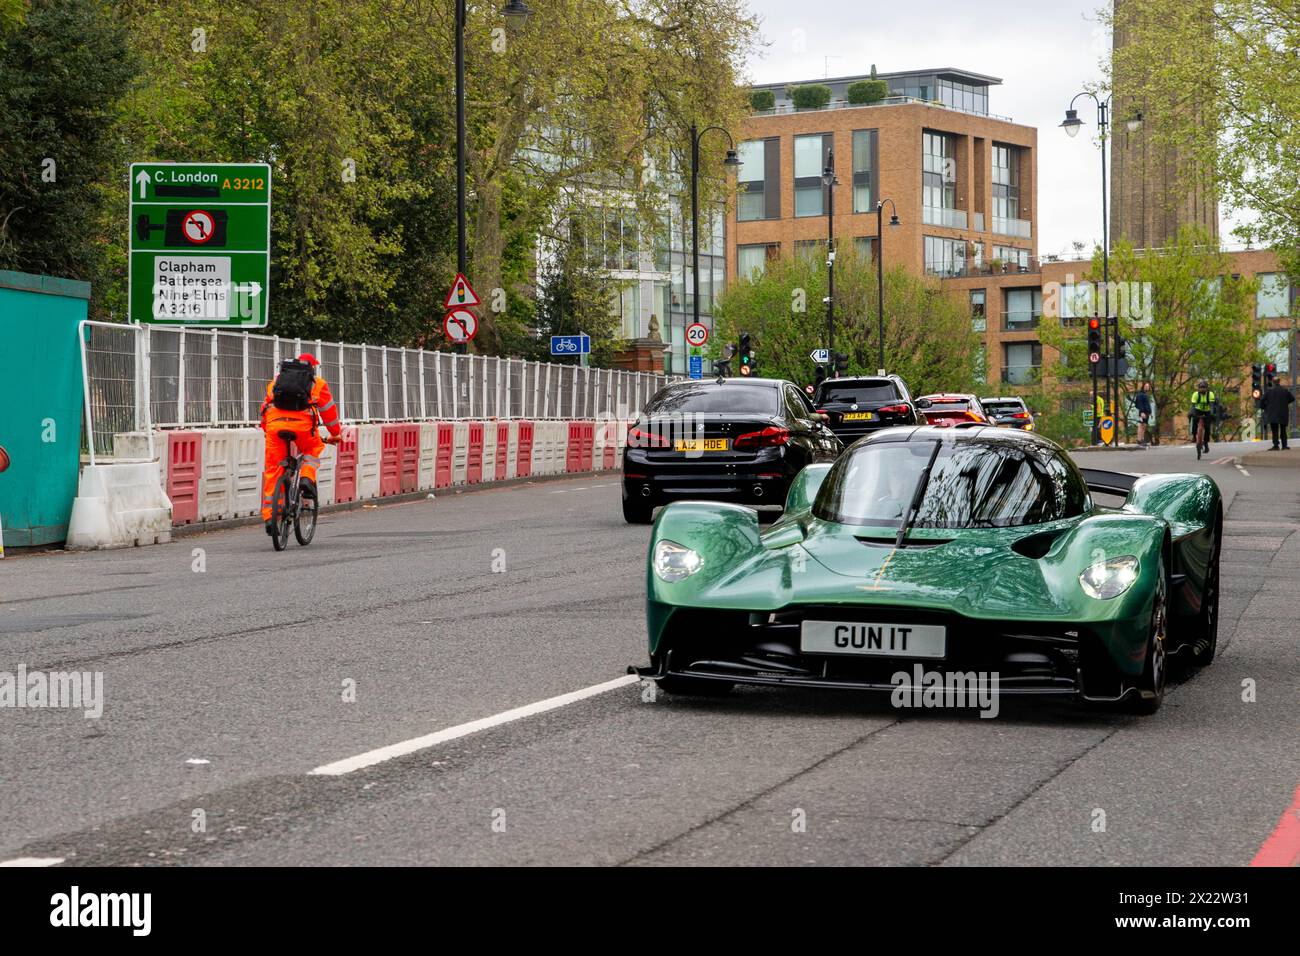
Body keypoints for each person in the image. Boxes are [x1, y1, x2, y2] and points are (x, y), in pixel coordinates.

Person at [259, 353, 342, 534]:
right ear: (311, 368)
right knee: (313, 448)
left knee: (274, 469)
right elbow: (329, 412)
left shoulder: (276, 381)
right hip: (303, 427)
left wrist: (267, 429)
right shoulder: (318, 383)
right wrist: (336, 433)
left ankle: (271, 517)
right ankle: (306, 478)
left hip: (275, 425)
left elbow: (265, 407)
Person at [1262, 375, 1295, 450]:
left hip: (1272, 413)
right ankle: (1284, 446)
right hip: (1283, 412)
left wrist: (1266, 407)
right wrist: (1285, 402)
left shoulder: (1269, 392)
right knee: (1283, 429)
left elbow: (1262, 401)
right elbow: (1292, 399)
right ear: (1279, 382)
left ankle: (1276, 445)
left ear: (1273, 382)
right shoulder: (1285, 391)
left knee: (1274, 430)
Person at [1189, 379, 1216, 452]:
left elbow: (1212, 405)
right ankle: (1194, 436)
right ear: (1198, 388)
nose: (1202, 389)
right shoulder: (1195, 394)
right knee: (1194, 421)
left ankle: (1206, 443)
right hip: (1198, 410)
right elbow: (1193, 406)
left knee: (1207, 428)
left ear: (1207, 388)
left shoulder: (1210, 394)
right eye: (1201, 387)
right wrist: (1191, 412)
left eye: (1204, 387)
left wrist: (1212, 413)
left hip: (1207, 411)